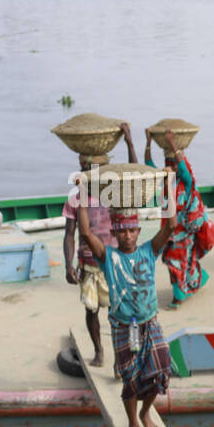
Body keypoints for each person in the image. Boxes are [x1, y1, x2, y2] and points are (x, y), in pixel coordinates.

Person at [76, 194, 173, 427]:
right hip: (122, 326)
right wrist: (82, 195)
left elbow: (171, 225)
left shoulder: (148, 251)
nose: (127, 236)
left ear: (139, 231)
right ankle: (133, 423)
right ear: (114, 233)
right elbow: (85, 232)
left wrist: (168, 185)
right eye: (122, 232)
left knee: (160, 368)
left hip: (150, 322)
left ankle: (145, 412)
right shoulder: (108, 257)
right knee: (129, 377)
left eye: (131, 230)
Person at [63, 122, 136, 367]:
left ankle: (119, 356)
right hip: (88, 264)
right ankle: (99, 351)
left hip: (115, 261)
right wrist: (68, 265)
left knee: (119, 313)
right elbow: (69, 234)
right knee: (91, 310)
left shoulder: (115, 192)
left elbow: (135, 171)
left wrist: (129, 141)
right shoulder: (76, 198)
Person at [143, 127, 212, 309]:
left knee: (177, 263)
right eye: (169, 164)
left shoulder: (186, 183)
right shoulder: (166, 183)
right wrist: (149, 142)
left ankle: (178, 296)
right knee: (177, 263)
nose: (172, 167)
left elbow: (184, 168)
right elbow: (149, 165)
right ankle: (195, 281)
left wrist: (173, 143)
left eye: (174, 164)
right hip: (169, 232)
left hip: (185, 233)